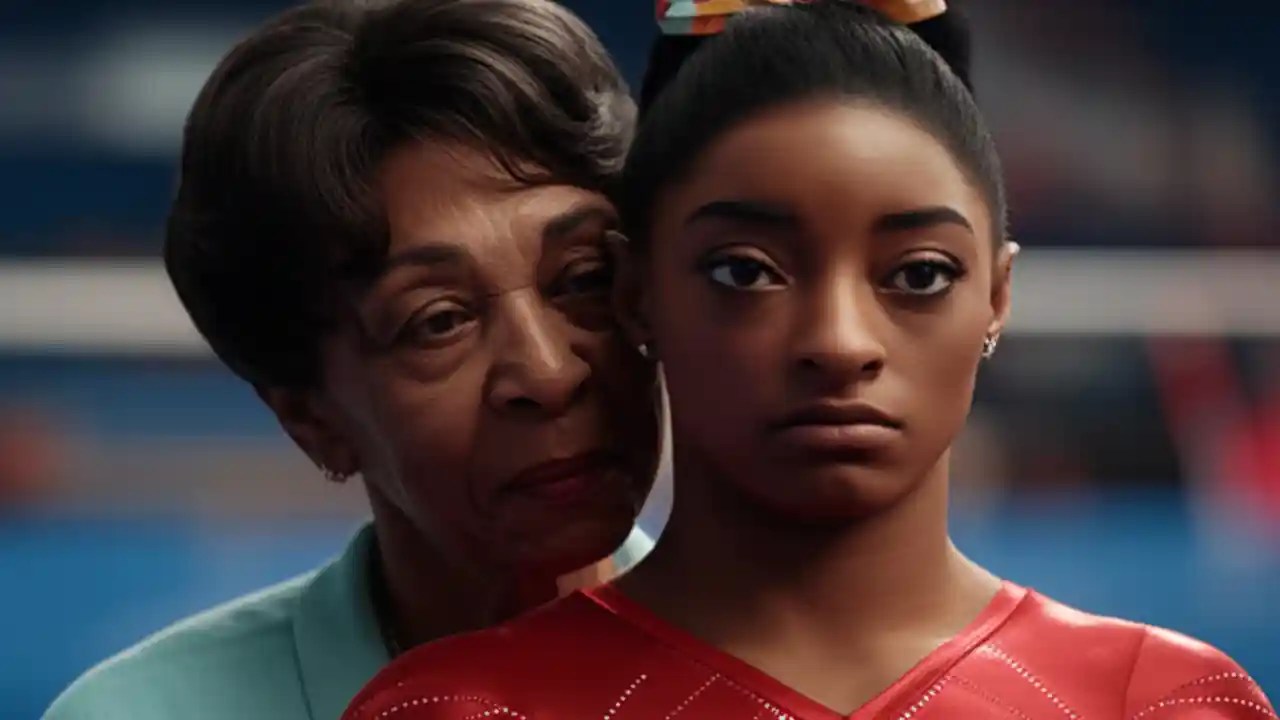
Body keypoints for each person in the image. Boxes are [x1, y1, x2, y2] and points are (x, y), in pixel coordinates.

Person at [342, 1, 1276, 718]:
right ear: (635, 294)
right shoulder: (461, 708)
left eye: (917, 273)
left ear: (997, 295)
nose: (837, 342)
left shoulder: (1167, 703)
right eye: (745, 271)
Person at [43, 1, 663, 718]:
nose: (550, 374)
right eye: (439, 321)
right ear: (311, 417)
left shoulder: (798, 676)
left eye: (583, 279)